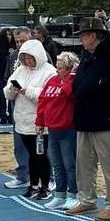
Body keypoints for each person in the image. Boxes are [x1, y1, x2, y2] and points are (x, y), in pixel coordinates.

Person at [67, 15, 110, 221]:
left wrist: (100, 84)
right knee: (84, 162)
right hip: (85, 116)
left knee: (108, 164)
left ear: (93, 36)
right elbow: (82, 78)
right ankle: (87, 199)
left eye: (83, 36)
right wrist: (79, 85)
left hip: (107, 118)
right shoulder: (87, 53)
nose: (80, 40)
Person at [8, 39, 56, 199]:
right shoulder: (20, 70)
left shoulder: (49, 72)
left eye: (31, 58)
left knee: (41, 154)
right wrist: (12, 89)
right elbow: (7, 91)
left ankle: (45, 185)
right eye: (25, 58)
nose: (28, 61)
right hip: (22, 120)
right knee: (31, 154)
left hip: (39, 122)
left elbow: (47, 95)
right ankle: (33, 184)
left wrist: (27, 91)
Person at [35, 51, 78, 210]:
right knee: (57, 165)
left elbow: (70, 93)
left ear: (69, 69)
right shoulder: (52, 80)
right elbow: (43, 100)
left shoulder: (73, 82)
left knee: (70, 165)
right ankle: (60, 195)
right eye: (57, 67)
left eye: (60, 68)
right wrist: (40, 121)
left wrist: (71, 77)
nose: (57, 70)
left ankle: (73, 195)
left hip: (68, 130)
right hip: (52, 130)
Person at [3, 27, 33, 188]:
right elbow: (7, 78)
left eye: (23, 41)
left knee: (39, 143)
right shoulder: (13, 56)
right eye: (17, 42)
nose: (20, 44)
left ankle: (47, 177)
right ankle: (23, 175)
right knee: (19, 140)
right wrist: (11, 89)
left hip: (35, 103)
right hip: (17, 102)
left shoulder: (42, 56)